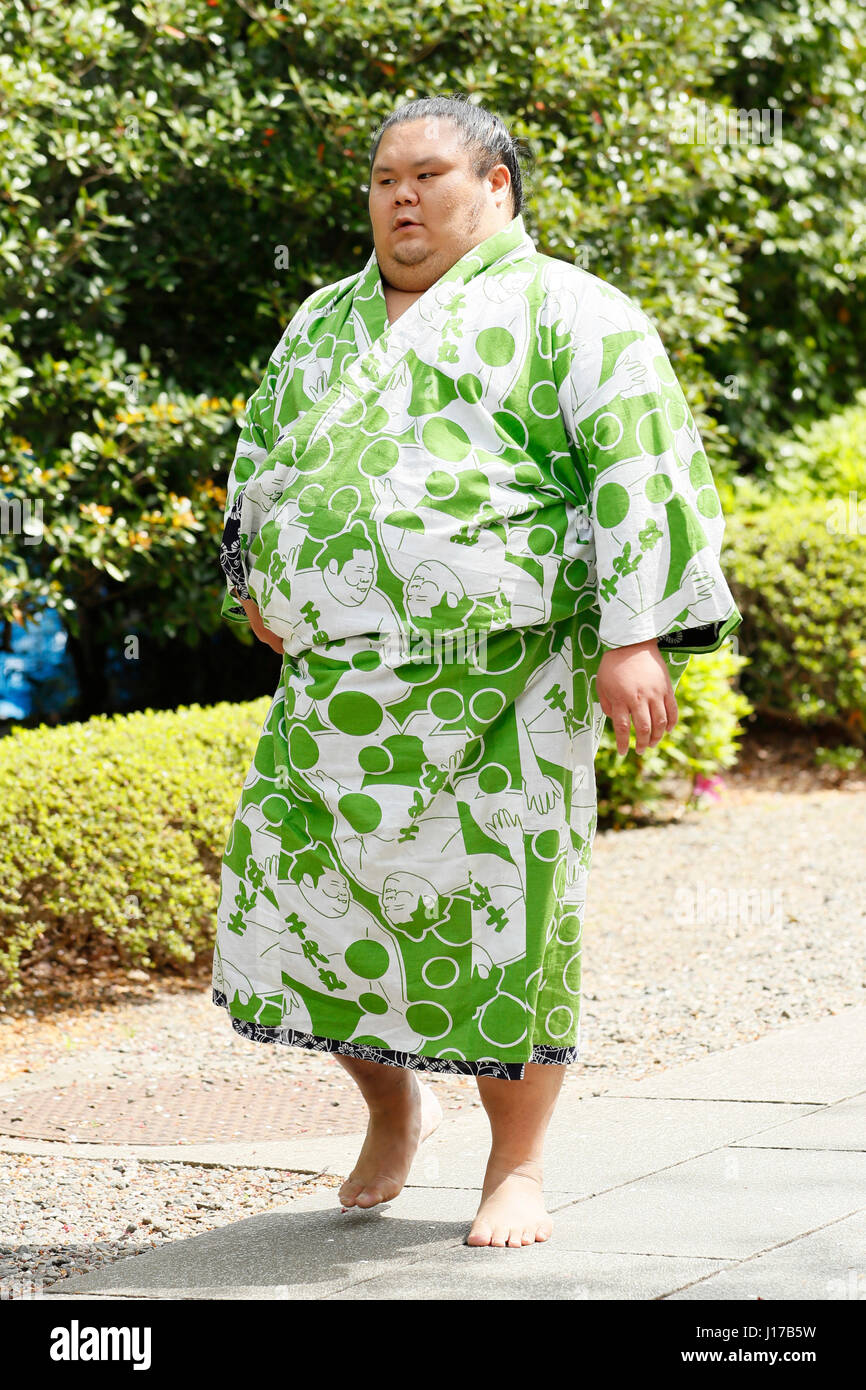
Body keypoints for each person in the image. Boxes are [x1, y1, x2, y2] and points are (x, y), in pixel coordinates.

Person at [212, 94, 743, 1249]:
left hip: (504, 683)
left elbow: (638, 468)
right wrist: (251, 566)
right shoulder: (319, 322)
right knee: (304, 901)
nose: (400, 197)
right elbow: (260, 452)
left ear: (494, 185)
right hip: (337, 683)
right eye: (383, 178)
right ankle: (394, 1106)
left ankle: (517, 1164)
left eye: (429, 175)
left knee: (503, 914)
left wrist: (632, 634)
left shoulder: (577, 315)